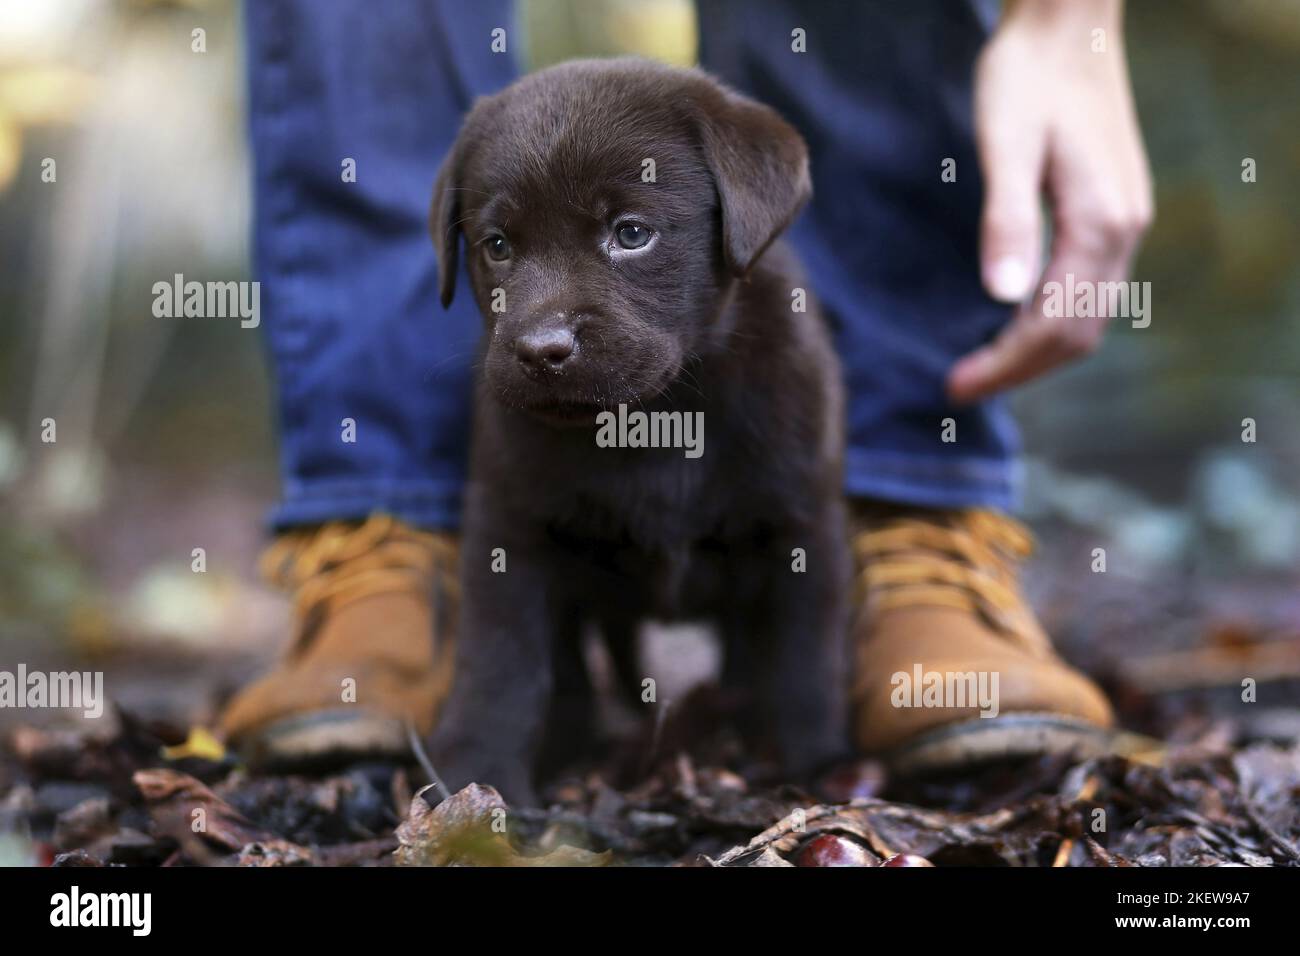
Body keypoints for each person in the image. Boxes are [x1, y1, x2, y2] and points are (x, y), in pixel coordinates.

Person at [220, 0, 1152, 771]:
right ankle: (393, 536)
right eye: (500, 248)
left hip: (778, 475)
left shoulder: (786, 366)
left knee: (803, 559)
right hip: (542, 520)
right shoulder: (526, 394)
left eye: (629, 232)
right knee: (514, 558)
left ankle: (902, 513)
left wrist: (1067, 21)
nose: (541, 325)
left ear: (743, 215)